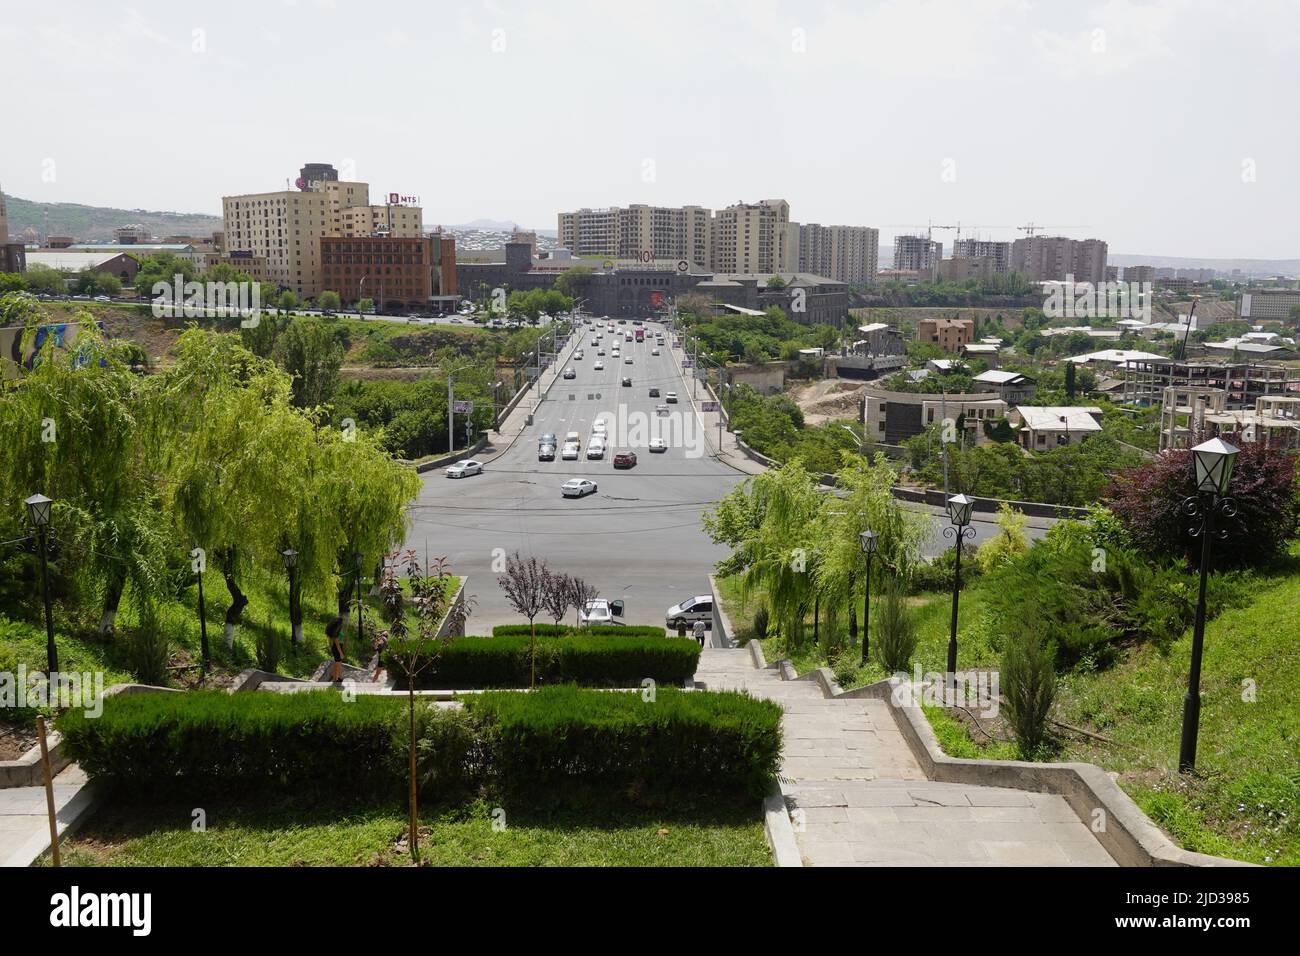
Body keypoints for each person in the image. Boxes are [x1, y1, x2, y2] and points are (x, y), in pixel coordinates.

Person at [326, 616, 345, 683]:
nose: (343, 624)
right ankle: (338, 678)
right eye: (342, 623)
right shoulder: (337, 632)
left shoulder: (338, 630)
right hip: (337, 648)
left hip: (338, 647)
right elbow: (337, 642)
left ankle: (335, 678)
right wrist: (341, 652)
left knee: (337, 663)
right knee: (338, 663)